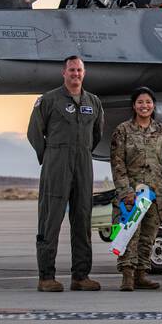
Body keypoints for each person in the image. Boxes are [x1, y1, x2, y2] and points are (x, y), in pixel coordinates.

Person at [27, 55, 105, 292]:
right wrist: (49, 157)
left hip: (83, 164)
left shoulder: (93, 101)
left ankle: (81, 276)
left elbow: (97, 134)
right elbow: (34, 132)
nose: (76, 74)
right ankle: (46, 277)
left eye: (79, 70)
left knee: (82, 219)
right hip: (56, 164)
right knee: (51, 219)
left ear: (84, 73)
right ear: (64, 73)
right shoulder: (49, 100)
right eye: (71, 70)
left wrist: (82, 153)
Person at [109, 87, 162, 292]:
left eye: (148, 102)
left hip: (155, 194)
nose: (144, 106)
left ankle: (141, 274)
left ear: (153, 105)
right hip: (131, 194)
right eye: (140, 102)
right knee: (128, 234)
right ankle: (127, 276)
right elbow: (118, 164)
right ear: (134, 105)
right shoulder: (123, 131)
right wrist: (125, 192)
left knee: (148, 235)